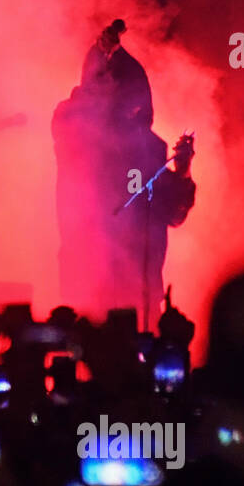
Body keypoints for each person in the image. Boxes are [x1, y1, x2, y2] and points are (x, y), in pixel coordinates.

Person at [52, 20, 195, 321]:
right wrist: (101, 56)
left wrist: (183, 169)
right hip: (89, 284)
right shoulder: (75, 127)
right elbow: (72, 115)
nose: (132, 107)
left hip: (141, 293)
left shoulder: (151, 147)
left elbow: (173, 214)